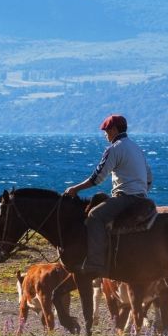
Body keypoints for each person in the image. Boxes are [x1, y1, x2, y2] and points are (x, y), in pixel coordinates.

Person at [63, 114, 154, 276]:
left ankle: (95, 264)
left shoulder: (114, 149)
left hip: (126, 198)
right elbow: (149, 179)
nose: (105, 134)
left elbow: (97, 178)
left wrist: (75, 189)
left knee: (94, 217)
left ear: (114, 129)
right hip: (142, 198)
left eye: (106, 130)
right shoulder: (136, 148)